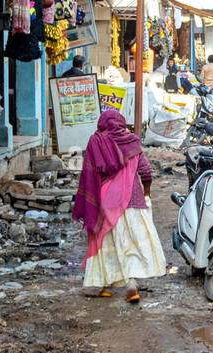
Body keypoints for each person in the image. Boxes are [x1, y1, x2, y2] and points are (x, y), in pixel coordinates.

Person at [71, 108, 167, 304]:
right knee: (131, 241)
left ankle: (106, 286)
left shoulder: (96, 141)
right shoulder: (131, 141)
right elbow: (146, 172)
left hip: (104, 202)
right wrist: (146, 193)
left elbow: (89, 174)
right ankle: (131, 284)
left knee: (107, 242)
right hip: (132, 200)